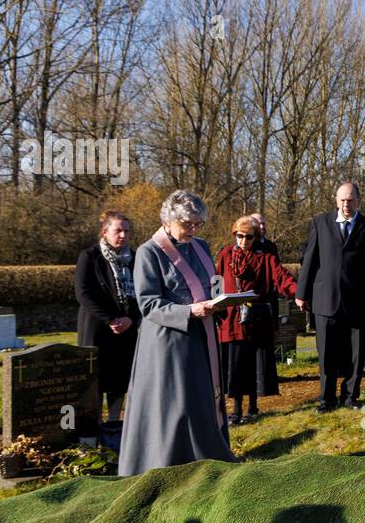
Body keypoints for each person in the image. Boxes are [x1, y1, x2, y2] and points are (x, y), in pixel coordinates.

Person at [117, 190, 235, 477]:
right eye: (188, 224)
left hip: (201, 338)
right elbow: (148, 304)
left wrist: (223, 301)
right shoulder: (149, 252)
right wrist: (190, 311)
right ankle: (167, 462)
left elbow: (212, 284)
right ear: (169, 220)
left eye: (197, 224)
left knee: (199, 401)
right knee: (174, 406)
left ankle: (205, 458)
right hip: (167, 345)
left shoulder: (201, 246)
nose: (193, 229)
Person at [297, 181, 365, 412]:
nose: (346, 204)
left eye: (351, 200)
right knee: (327, 353)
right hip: (326, 298)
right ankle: (326, 399)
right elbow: (310, 260)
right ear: (336, 200)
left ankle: (350, 397)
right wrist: (301, 293)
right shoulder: (321, 223)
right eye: (342, 200)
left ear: (358, 201)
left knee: (355, 352)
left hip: (356, 299)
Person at [215, 216, 298, 425]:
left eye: (248, 237)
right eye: (239, 236)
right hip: (231, 319)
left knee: (252, 364)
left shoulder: (265, 256)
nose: (243, 241)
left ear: (256, 237)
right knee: (234, 365)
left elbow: (281, 277)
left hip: (255, 318)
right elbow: (215, 281)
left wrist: (299, 292)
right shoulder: (226, 255)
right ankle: (235, 409)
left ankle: (252, 407)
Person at [75, 211, 142, 424]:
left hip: (126, 330)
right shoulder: (90, 256)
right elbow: (83, 293)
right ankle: (92, 426)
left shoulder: (135, 258)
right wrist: (112, 319)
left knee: (119, 380)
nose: (123, 235)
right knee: (96, 380)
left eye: (127, 231)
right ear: (105, 232)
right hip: (97, 328)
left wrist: (131, 318)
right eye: (118, 230)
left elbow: (143, 293)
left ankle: (114, 423)